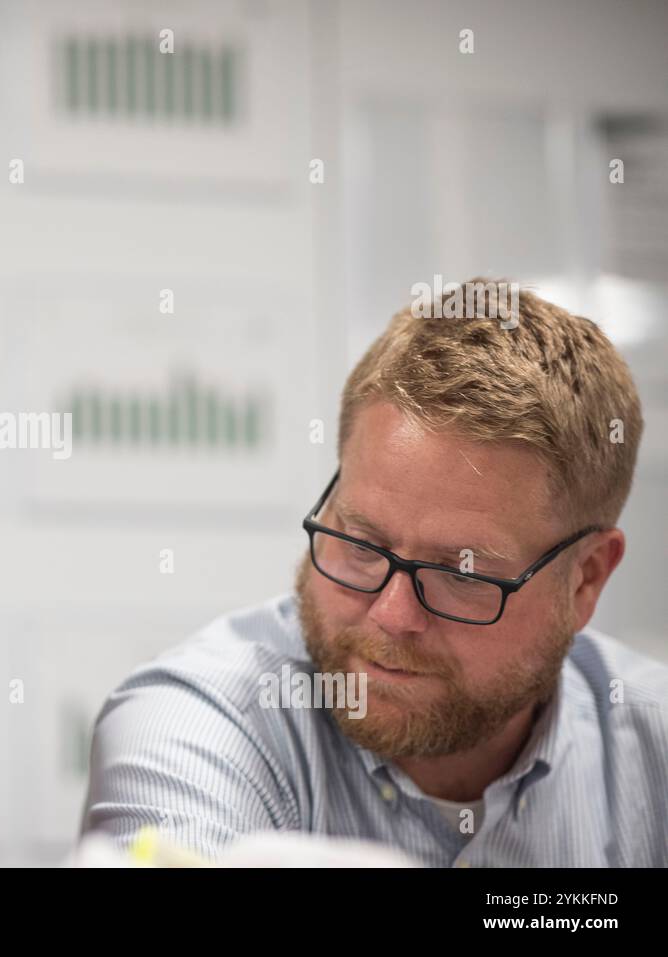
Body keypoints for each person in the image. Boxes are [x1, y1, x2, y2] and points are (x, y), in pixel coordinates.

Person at [81, 279, 666, 867]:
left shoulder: (653, 742)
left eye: (462, 574)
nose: (392, 615)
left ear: (585, 578)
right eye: (362, 544)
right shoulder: (198, 720)